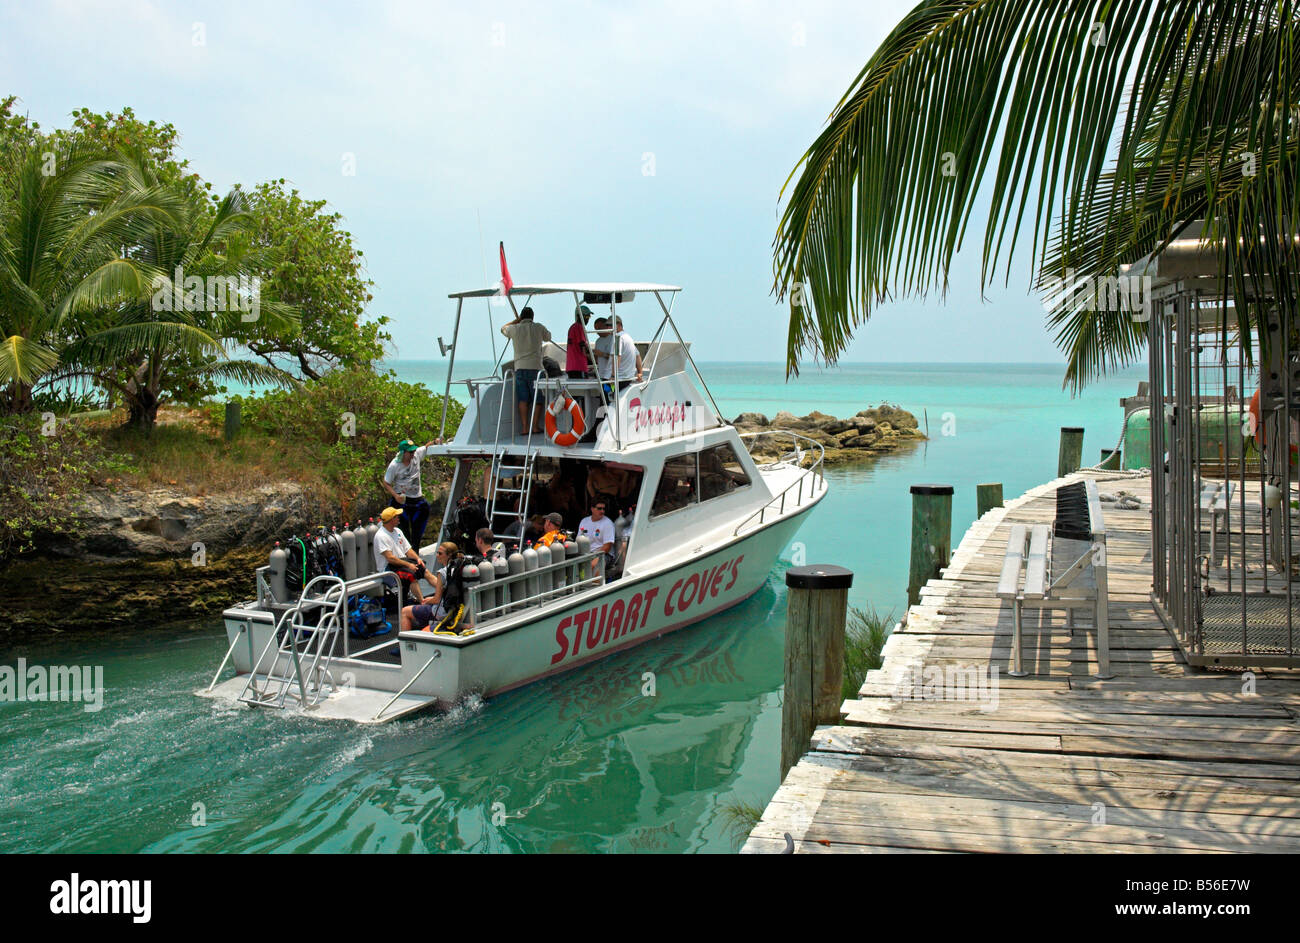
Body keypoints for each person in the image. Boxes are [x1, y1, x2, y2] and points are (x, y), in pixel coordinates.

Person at [500, 306, 552, 434]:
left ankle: (524, 427)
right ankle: (534, 426)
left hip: (520, 368)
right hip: (536, 368)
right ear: (532, 317)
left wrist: (515, 321)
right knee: (538, 400)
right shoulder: (538, 327)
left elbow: (502, 329)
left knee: (523, 400)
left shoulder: (514, 329)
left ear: (521, 317)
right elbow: (548, 337)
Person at [382, 437, 437, 548]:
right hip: (403, 500)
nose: (413, 454)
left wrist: (436, 442)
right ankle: (406, 554)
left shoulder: (416, 455)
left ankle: (415, 552)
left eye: (413, 451)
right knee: (404, 532)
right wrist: (396, 496)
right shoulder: (394, 465)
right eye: (410, 452)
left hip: (417, 498)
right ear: (403, 452)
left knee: (418, 529)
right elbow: (386, 482)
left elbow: (426, 447)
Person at [401, 541, 464, 631]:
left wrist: (426, 601)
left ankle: (404, 643)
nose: (437, 555)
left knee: (405, 611)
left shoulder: (442, 573)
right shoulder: (460, 568)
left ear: (449, 555)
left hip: (442, 612)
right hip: (454, 609)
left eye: (440, 553)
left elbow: (437, 599)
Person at [374, 506, 431, 604]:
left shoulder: (398, 531)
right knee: (411, 575)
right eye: (396, 516)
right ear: (391, 520)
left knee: (423, 569)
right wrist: (409, 565)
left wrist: (418, 559)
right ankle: (423, 602)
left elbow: (408, 550)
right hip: (389, 568)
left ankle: (441, 594)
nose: (399, 518)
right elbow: (390, 559)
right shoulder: (381, 536)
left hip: (401, 562)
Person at [578, 499, 617, 578]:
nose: (602, 511)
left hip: (604, 554)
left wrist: (595, 558)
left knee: (596, 567)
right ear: (592, 509)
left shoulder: (608, 523)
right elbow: (579, 541)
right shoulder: (584, 521)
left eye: (603, 509)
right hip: (586, 554)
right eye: (599, 508)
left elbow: (607, 546)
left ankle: (595, 587)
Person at [566, 305, 595, 379]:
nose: (588, 320)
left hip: (571, 367)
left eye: (589, 317)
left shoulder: (572, 327)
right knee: (585, 390)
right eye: (586, 317)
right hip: (579, 367)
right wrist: (594, 359)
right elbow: (583, 347)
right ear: (579, 316)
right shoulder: (579, 327)